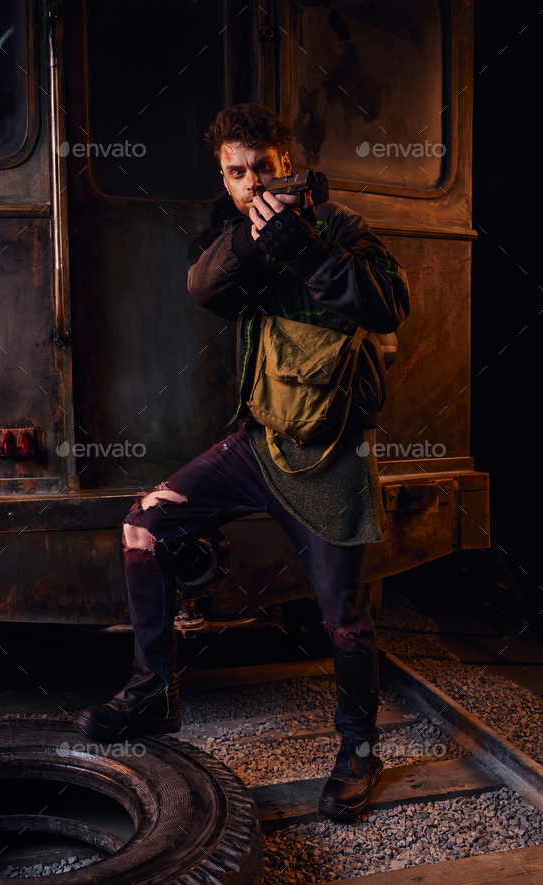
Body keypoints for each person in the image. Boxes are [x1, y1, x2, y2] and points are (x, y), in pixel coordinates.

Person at [75, 102, 410, 821]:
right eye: (236, 171)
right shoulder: (243, 238)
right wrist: (262, 243)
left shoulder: (342, 229)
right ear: (224, 178)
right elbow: (205, 287)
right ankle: (153, 690)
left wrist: (312, 249)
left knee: (344, 618)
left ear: (287, 163)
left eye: (263, 166)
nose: (251, 180)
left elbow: (389, 305)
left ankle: (358, 749)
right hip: (258, 443)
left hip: (330, 454)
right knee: (144, 524)